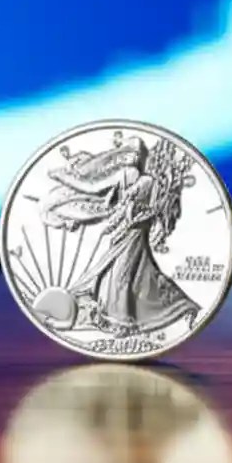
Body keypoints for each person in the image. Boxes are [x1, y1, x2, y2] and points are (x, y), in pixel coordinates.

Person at [40, 132, 199, 335]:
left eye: (130, 156)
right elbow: (101, 193)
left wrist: (128, 220)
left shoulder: (149, 183)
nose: (127, 162)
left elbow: (146, 210)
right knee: (121, 274)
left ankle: (123, 320)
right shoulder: (126, 177)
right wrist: (65, 178)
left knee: (122, 274)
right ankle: (116, 316)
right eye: (124, 156)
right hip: (123, 233)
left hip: (134, 233)